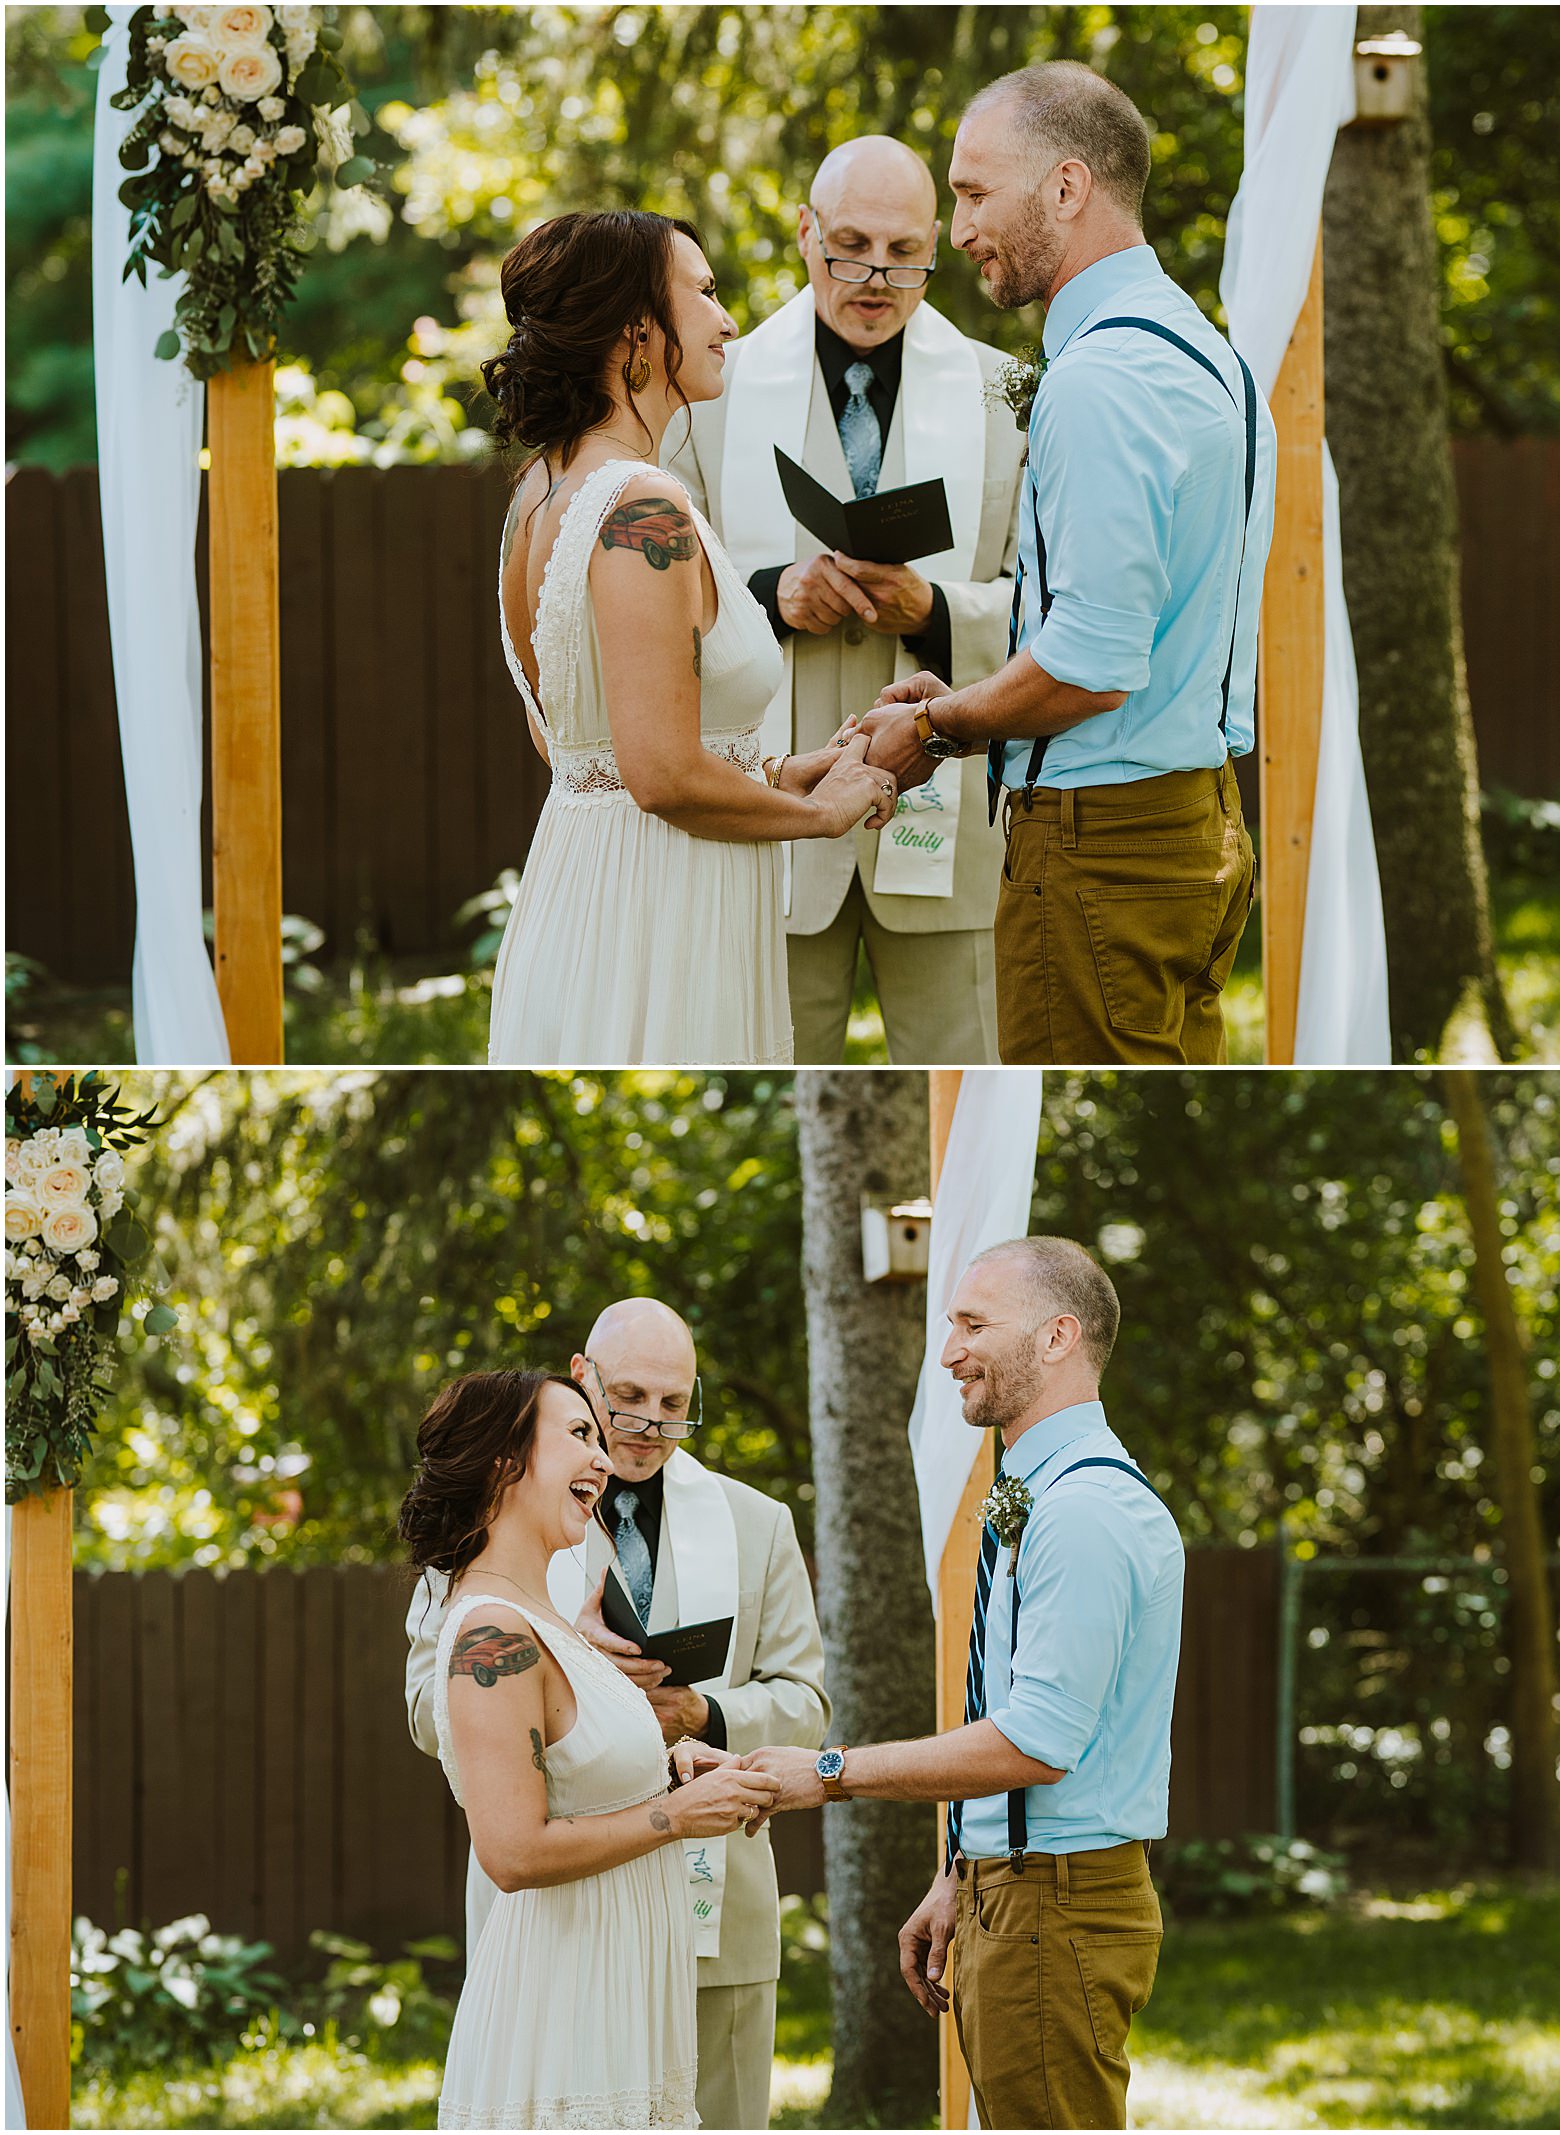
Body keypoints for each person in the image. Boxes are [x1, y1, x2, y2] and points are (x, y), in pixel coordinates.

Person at [855, 64, 1277, 1066]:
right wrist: (972, 687)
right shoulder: (1202, 350)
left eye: (970, 193)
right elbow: (1135, 615)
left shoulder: (1099, 381)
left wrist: (935, 725)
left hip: (1104, 850)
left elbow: (1092, 665)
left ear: (1066, 186)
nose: (956, 232)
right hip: (1194, 814)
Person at [742, 1237, 1184, 2131]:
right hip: (1017, 1888)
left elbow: (1037, 1742)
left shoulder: (1085, 1510)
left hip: (1058, 1905)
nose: (948, 1351)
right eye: (952, 1325)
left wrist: (828, 1773)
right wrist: (963, 1868)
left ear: (1059, 1336)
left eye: (974, 1323)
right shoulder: (1040, 1487)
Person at [481, 208, 897, 1067]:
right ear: (638, 327)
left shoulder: (539, 492)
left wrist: (777, 771)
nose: (728, 319)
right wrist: (817, 814)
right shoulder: (641, 506)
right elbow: (659, 771)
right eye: (704, 294)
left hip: (586, 888)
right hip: (657, 915)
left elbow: (582, 745)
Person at [406, 1301, 830, 2132]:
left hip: (715, 1893)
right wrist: (569, 1674)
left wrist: (697, 1714)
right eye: (625, 1397)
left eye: (675, 1404)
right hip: (562, 1923)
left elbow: (807, 1704)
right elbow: (436, 1710)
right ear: (581, 1377)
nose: (646, 1424)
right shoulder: (488, 1549)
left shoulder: (758, 1523)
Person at [665, 139, 1026, 1066]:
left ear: (936, 242)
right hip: (767, 819)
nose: (875, 277)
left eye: (904, 252)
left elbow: (1058, 607)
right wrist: (769, 595)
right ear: (804, 232)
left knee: (967, 1079)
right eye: (849, 246)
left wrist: (935, 609)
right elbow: (655, 601)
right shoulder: (712, 391)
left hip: (947, 816)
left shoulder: (1007, 394)